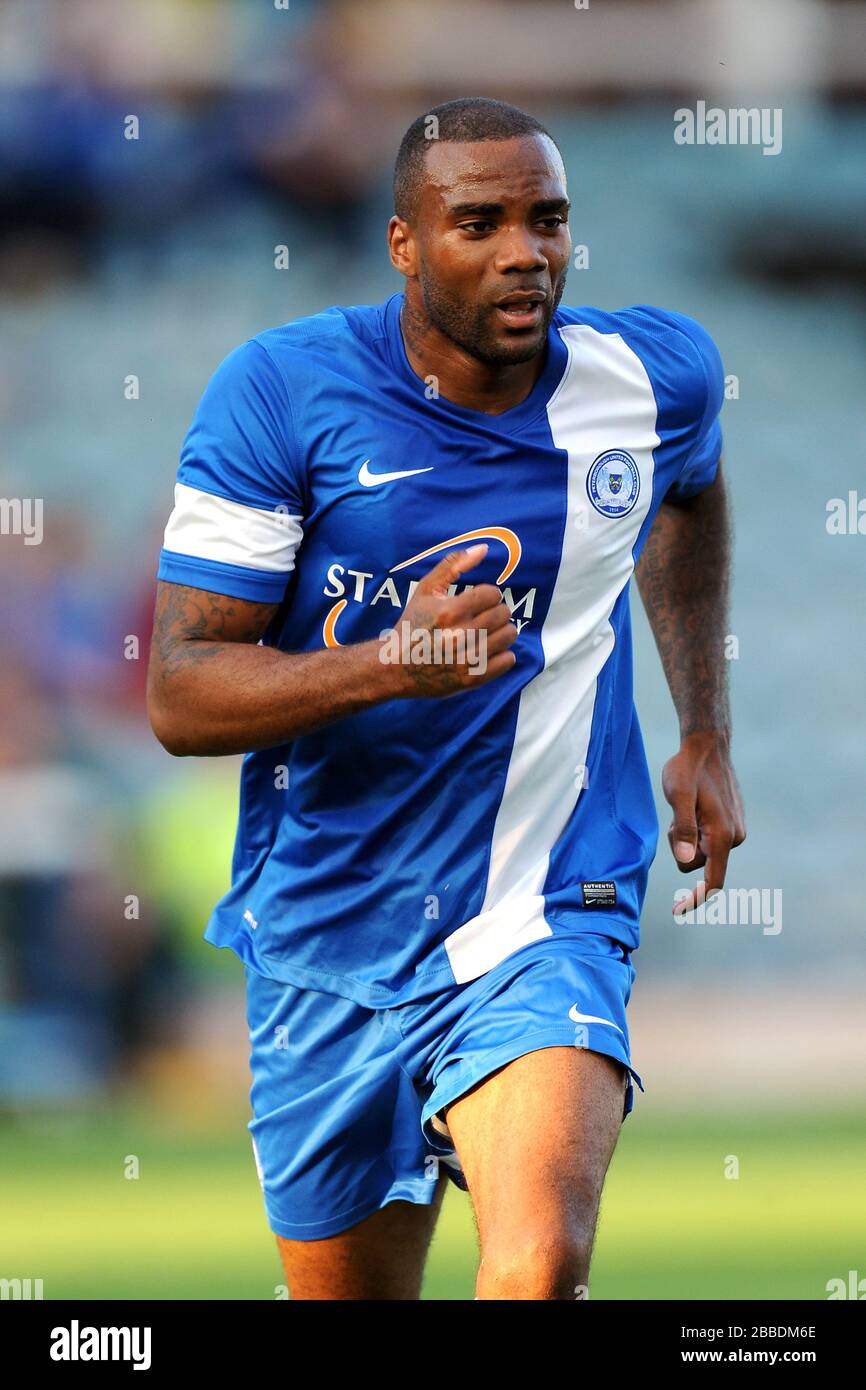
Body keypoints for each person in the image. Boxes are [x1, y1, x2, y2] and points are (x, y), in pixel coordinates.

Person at [147, 96, 746, 1300]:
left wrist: (703, 730)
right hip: (329, 931)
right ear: (404, 245)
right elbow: (180, 691)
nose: (525, 250)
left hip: (546, 898)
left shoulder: (652, 376)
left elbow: (688, 488)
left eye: (547, 219)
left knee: (539, 1263)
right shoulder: (278, 394)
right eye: (479, 222)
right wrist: (390, 662)